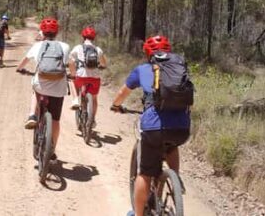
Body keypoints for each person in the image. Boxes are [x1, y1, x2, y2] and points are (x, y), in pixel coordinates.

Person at [110, 35, 191, 216]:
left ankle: (138, 214)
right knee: (171, 144)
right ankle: (174, 179)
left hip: (154, 128)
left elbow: (123, 92)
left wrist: (116, 105)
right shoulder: (179, 69)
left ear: (147, 53)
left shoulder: (143, 69)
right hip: (182, 128)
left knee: (145, 173)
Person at [16, 17, 70, 161]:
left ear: (42, 32)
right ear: (57, 32)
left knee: (35, 88)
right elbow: (70, 65)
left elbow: (23, 62)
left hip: (41, 84)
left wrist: (19, 69)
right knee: (56, 121)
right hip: (58, 88)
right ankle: (51, 150)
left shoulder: (37, 46)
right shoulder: (65, 46)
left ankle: (32, 115)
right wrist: (74, 75)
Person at [68, 26, 108, 125]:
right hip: (95, 78)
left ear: (83, 37)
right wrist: (101, 66)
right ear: (93, 38)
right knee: (94, 99)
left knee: (73, 82)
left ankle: (76, 100)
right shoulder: (98, 49)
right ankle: (92, 119)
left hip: (81, 76)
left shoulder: (78, 47)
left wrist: (73, 73)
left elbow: (71, 61)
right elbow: (103, 64)